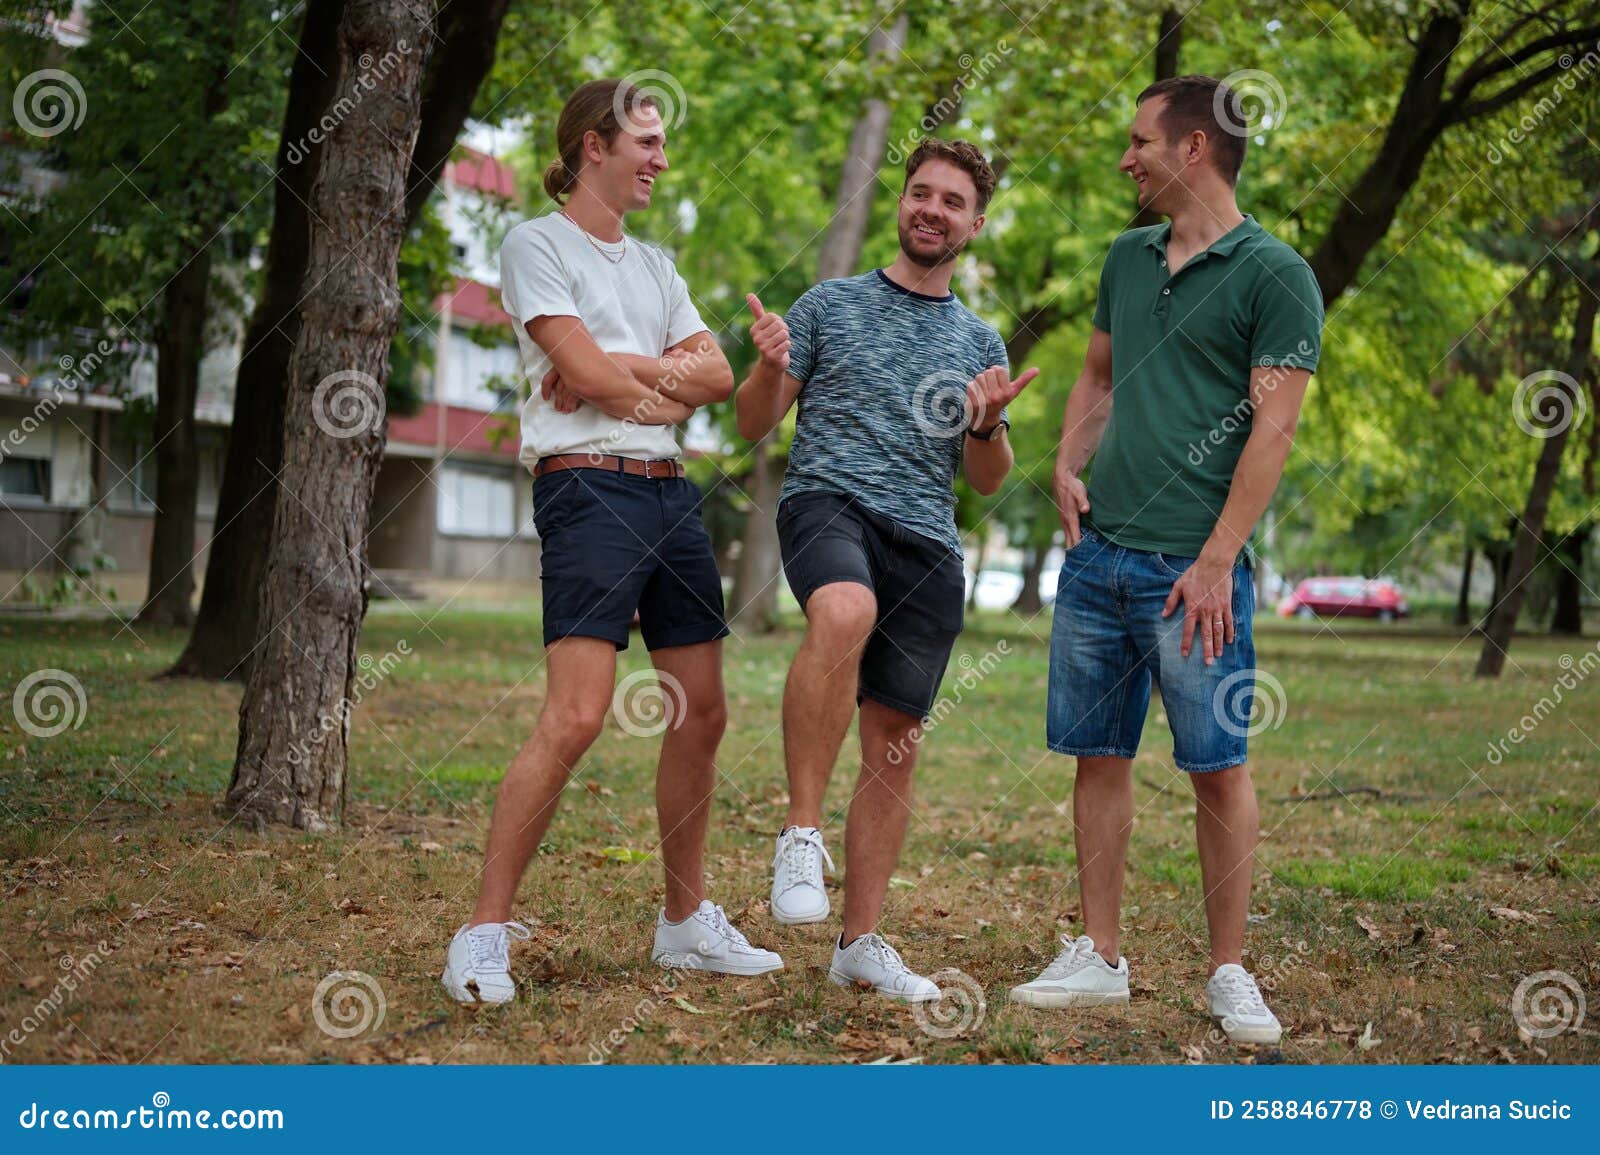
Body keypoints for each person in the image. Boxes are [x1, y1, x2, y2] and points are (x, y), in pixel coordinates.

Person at [442, 78, 781, 1004]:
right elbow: (584, 373)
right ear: (594, 146)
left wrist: (615, 373)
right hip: (585, 486)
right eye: (648, 142)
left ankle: (683, 923)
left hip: (670, 491)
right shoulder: (534, 244)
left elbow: (711, 374)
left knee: (702, 710)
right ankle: (480, 934)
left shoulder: (658, 265)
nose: (661, 161)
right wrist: (619, 375)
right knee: (580, 713)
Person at [1009, 75, 1324, 1046]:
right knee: (1097, 758)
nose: (1125, 156)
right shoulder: (1124, 256)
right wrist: (1066, 459)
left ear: (1192, 149)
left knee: (1215, 767)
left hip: (1196, 574)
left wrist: (1217, 560)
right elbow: (1099, 374)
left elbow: (1272, 430)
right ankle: (1099, 956)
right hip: (1100, 560)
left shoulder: (1277, 276)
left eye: (1138, 139)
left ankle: (1228, 969)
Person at [735, 138, 1037, 1001]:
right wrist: (763, 365)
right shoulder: (830, 305)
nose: (931, 209)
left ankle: (859, 940)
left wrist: (985, 426)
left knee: (893, 750)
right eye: (920, 193)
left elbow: (985, 480)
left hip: (928, 542)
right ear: (901, 202)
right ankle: (800, 833)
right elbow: (755, 422)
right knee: (840, 613)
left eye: (951, 202)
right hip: (829, 504)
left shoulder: (980, 339)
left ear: (974, 225)